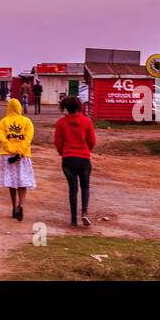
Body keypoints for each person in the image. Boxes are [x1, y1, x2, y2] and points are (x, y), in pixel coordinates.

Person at [54, 95, 97, 228]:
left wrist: (63, 152)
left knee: (72, 189)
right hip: (83, 158)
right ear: (79, 106)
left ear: (66, 108)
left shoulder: (61, 123)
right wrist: (86, 150)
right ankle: (84, 212)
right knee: (85, 186)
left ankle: (73, 220)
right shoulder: (86, 121)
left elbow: (58, 142)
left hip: (68, 159)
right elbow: (92, 141)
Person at [0, 96, 36, 220]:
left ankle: (14, 207)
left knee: (12, 183)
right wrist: (19, 151)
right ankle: (21, 204)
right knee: (22, 182)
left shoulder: (3, 122)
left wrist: (12, 150)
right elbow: (28, 138)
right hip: (23, 156)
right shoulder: (27, 121)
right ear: (19, 108)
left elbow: (2, 139)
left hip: (8, 156)